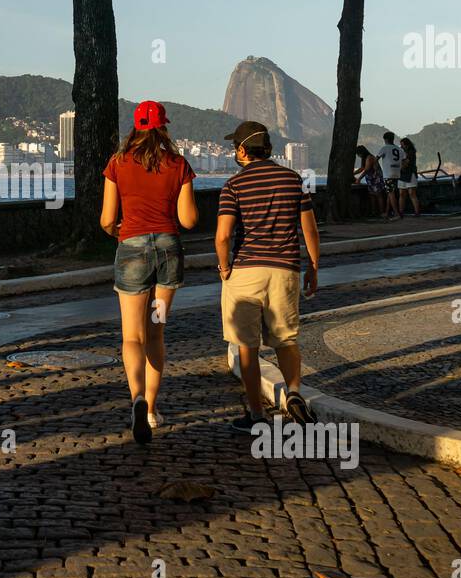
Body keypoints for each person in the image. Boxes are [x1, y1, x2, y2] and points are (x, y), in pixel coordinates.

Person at [100, 100, 199, 444]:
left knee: (131, 337)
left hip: (131, 251)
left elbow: (106, 220)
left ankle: (137, 400)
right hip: (168, 253)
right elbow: (188, 220)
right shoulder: (178, 165)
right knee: (155, 333)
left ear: (136, 127)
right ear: (163, 127)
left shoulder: (117, 163)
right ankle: (153, 411)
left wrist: (124, 233)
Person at [217, 121, 320, 432]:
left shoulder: (233, 186)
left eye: (235, 146)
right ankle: (294, 394)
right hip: (285, 269)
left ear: (243, 150)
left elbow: (223, 237)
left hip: (246, 270)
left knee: (246, 346)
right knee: (286, 340)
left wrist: (225, 269)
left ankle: (257, 415)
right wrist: (313, 266)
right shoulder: (292, 180)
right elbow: (309, 229)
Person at [376, 132, 402, 220]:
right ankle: (386, 212)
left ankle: (396, 214)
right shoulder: (399, 149)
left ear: (385, 139)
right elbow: (405, 160)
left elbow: (376, 160)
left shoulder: (384, 148)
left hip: (388, 174)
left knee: (391, 193)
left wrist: (376, 170)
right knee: (390, 193)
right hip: (397, 173)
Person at [352, 145, 386, 214]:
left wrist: (359, 179)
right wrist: (353, 173)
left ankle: (382, 212)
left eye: (358, 154)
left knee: (378, 195)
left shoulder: (369, 157)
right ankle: (374, 212)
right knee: (372, 195)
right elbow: (362, 168)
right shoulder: (364, 158)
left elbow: (367, 169)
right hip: (371, 179)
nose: (358, 155)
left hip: (376, 178)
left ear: (361, 152)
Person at [398, 136, 422, 216]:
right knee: (402, 193)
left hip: (410, 173)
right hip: (403, 174)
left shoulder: (411, 152)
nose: (401, 147)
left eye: (402, 145)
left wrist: (401, 166)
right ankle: (401, 211)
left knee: (411, 193)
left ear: (407, 145)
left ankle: (416, 212)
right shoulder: (403, 153)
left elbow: (406, 163)